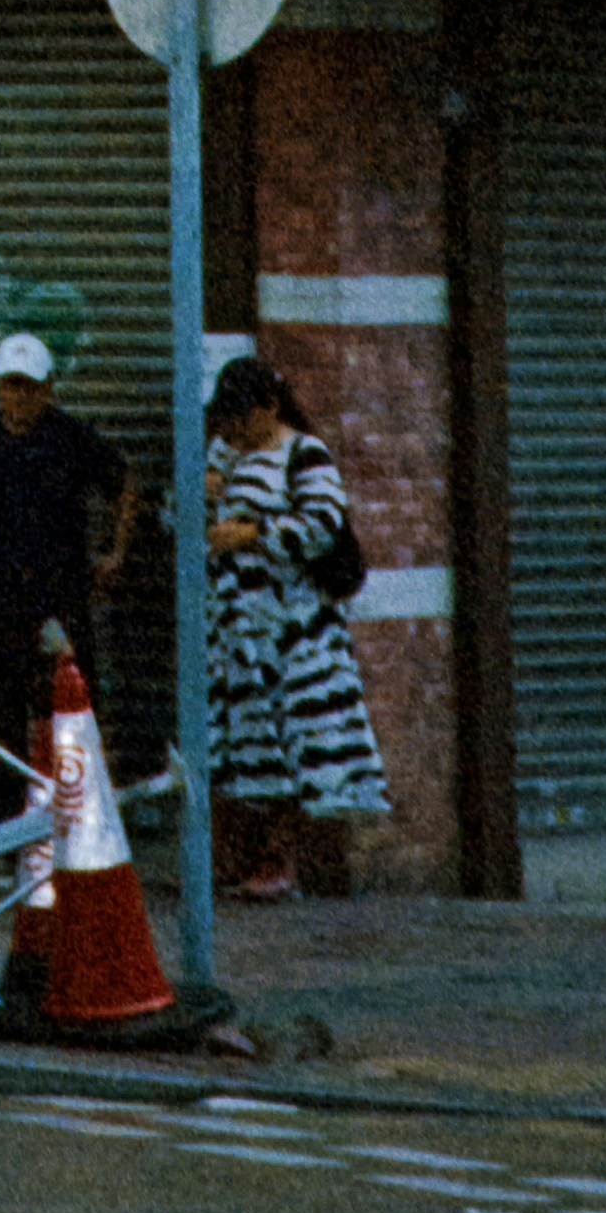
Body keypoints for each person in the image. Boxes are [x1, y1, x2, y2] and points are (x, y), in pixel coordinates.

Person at [202, 348, 389, 896]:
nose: (235, 429)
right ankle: (247, 859)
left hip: (298, 636)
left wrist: (255, 533)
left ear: (268, 409)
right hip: (238, 637)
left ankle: (279, 862)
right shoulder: (221, 456)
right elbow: (181, 522)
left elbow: (323, 526)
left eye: (243, 417)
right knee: (250, 753)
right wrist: (200, 494)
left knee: (305, 748)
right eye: (227, 419)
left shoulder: (305, 455)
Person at [0, 329, 124, 733]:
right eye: (10, 385)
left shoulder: (72, 438)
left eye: (29, 387)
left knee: (64, 714)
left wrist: (116, 553)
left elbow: (124, 487)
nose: (19, 397)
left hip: (60, 602)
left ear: (48, 388)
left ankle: (63, 793)